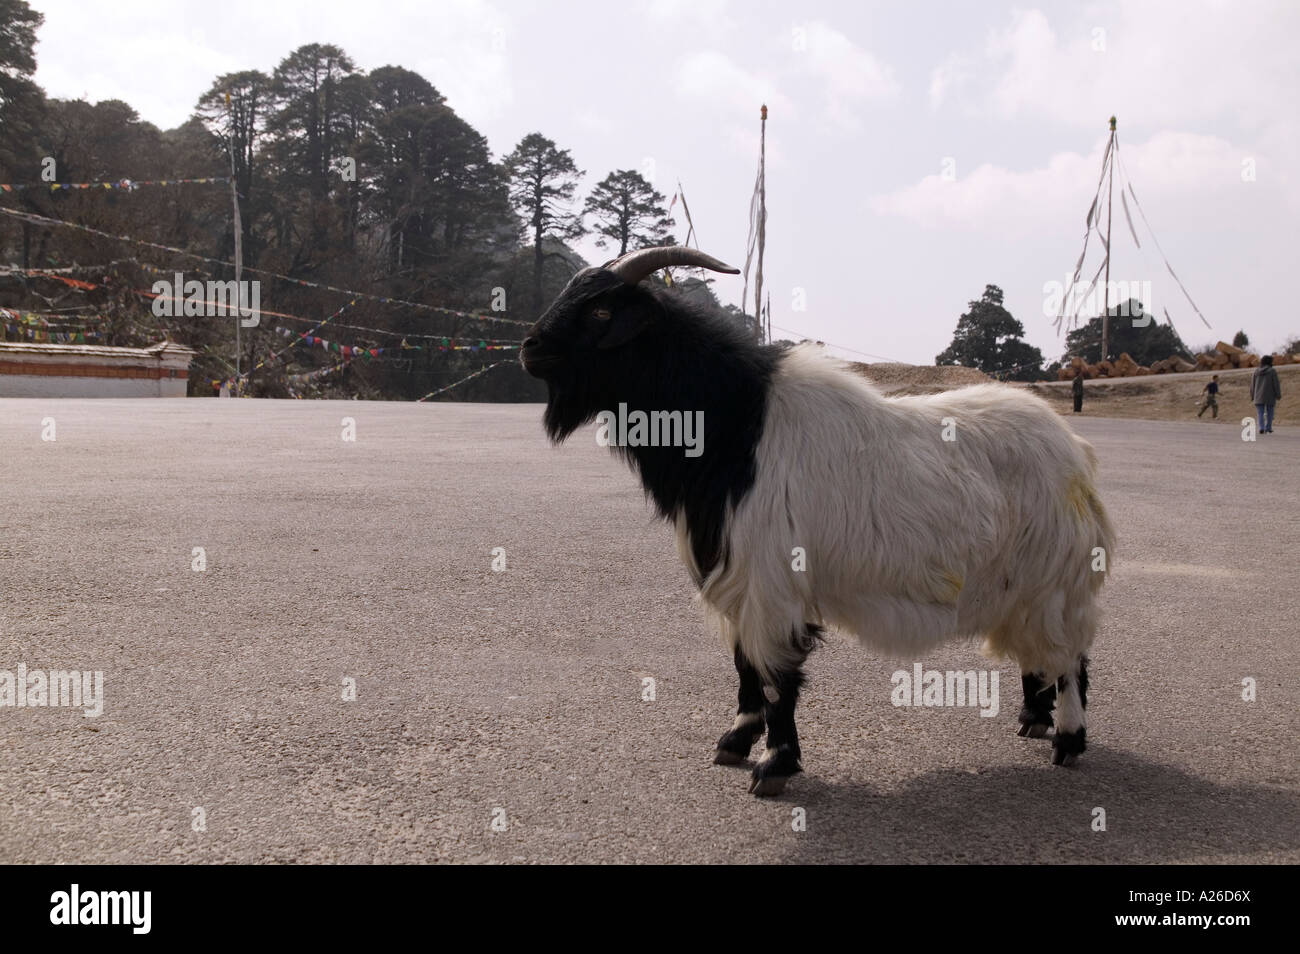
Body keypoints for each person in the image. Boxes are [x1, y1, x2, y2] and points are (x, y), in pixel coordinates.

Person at [1251, 354, 1281, 433]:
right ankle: (1268, 427)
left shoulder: (1256, 371)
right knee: (1270, 412)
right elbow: (1276, 384)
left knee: (1260, 413)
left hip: (1258, 395)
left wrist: (1252, 395)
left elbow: (1253, 384)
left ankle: (1261, 427)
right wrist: (1278, 394)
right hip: (1270, 395)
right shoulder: (1272, 371)